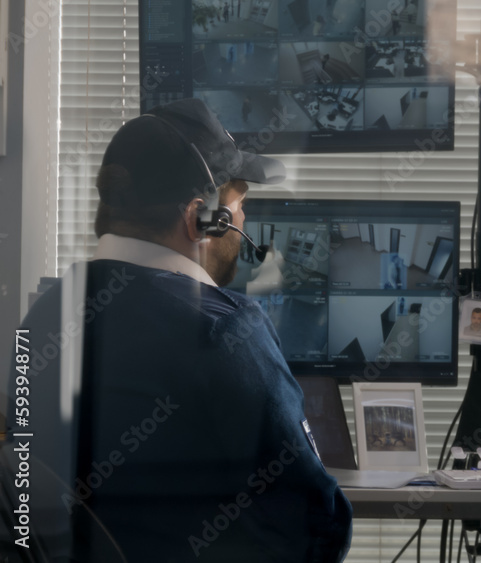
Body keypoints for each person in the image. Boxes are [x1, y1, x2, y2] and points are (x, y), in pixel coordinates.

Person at [5, 98, 352, 561]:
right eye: (239, 205)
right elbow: (318, 525)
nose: (244, 219)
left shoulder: (40, 319)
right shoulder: (226, 332)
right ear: (201, 218)